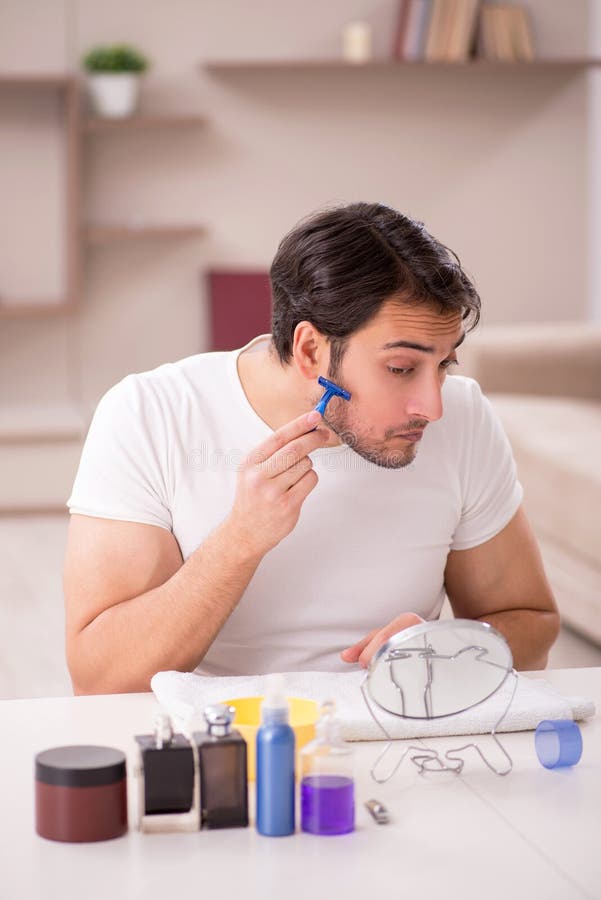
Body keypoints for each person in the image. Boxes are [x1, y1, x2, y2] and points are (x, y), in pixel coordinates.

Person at [64, 202, 559, 694]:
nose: (433, 407)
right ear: (309, 351)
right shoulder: (151, 414)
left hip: (401, 742)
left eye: (445, 365)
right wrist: (239, 540)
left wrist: (452, 650)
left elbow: (531, 621)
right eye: (402, 369)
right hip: (223, 748)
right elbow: (101, 678)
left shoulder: (466, 416)